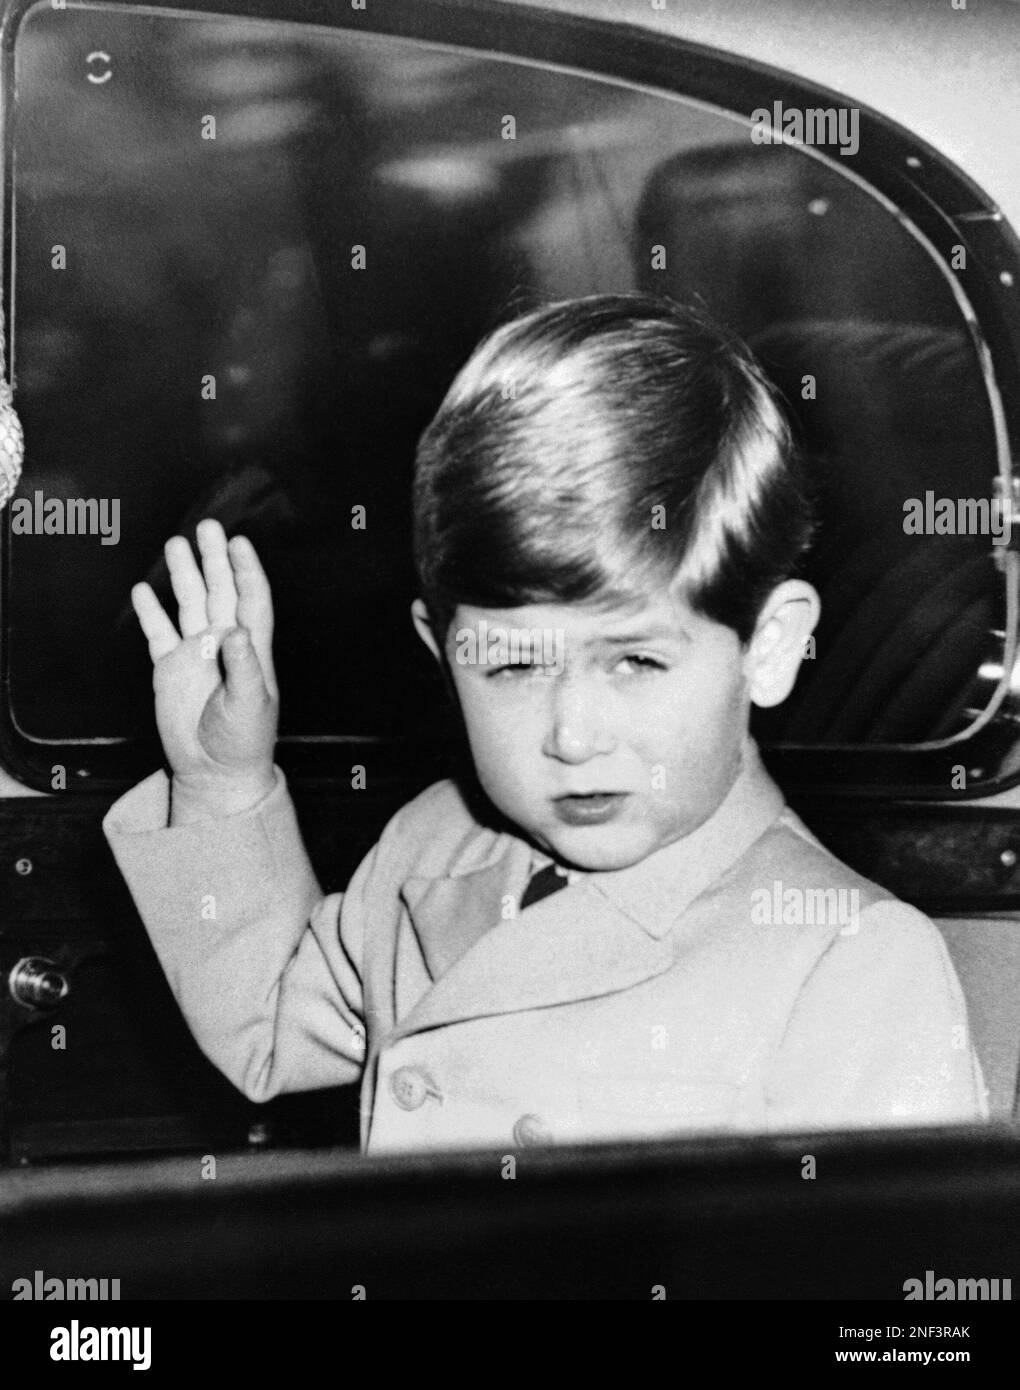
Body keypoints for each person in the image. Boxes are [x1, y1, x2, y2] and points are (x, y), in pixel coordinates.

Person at [103, 294, 987, 1152]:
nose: (572, 733)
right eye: (514, 664)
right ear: (442, 655)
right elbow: (267, 1027)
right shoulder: (432, 847)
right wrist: (221, 784)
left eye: (636, 661)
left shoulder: (849, 962)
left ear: (769, 646)